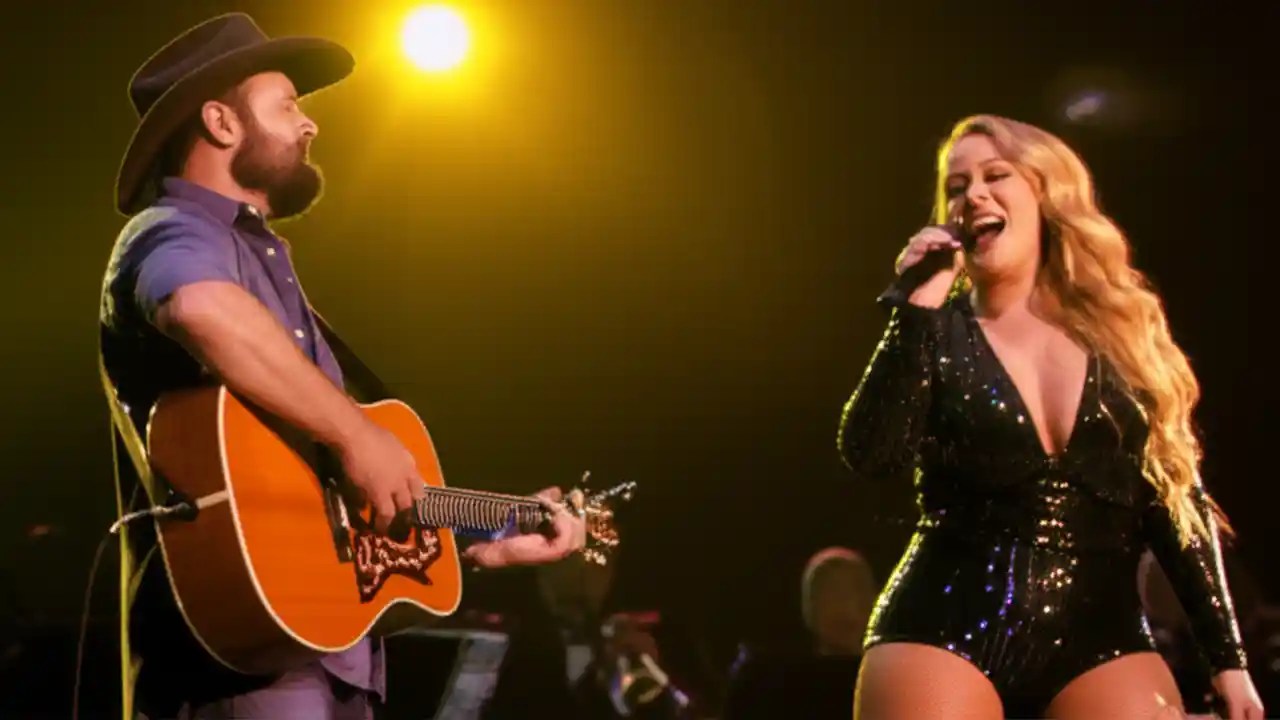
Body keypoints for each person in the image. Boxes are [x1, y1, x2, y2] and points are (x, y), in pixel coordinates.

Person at [99, 13, 585, 719]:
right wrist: (357, 435)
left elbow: (335, 497)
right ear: (220, 122)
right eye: (289, 104)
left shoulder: (269, 269)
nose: (310, 124)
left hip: (324, 648)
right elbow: (199, 308)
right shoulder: (175, 232)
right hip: (241, 667)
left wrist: (499, 531)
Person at [836, 114, 1265, 719]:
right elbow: (870, 454)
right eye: (957, 186)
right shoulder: (933, 331)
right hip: (943, 622)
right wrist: (914, 310)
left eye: (995, 175)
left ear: (1045, 196)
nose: (973, 195)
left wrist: (1229, 660)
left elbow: (1175, 501)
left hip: (1100, 637)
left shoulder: (1124, 336)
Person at [722, 547, 875, 719]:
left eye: (855, 590)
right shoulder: (774, 688)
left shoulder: (891, 684)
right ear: (809, 608)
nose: (844, 605)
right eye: (829, 591)